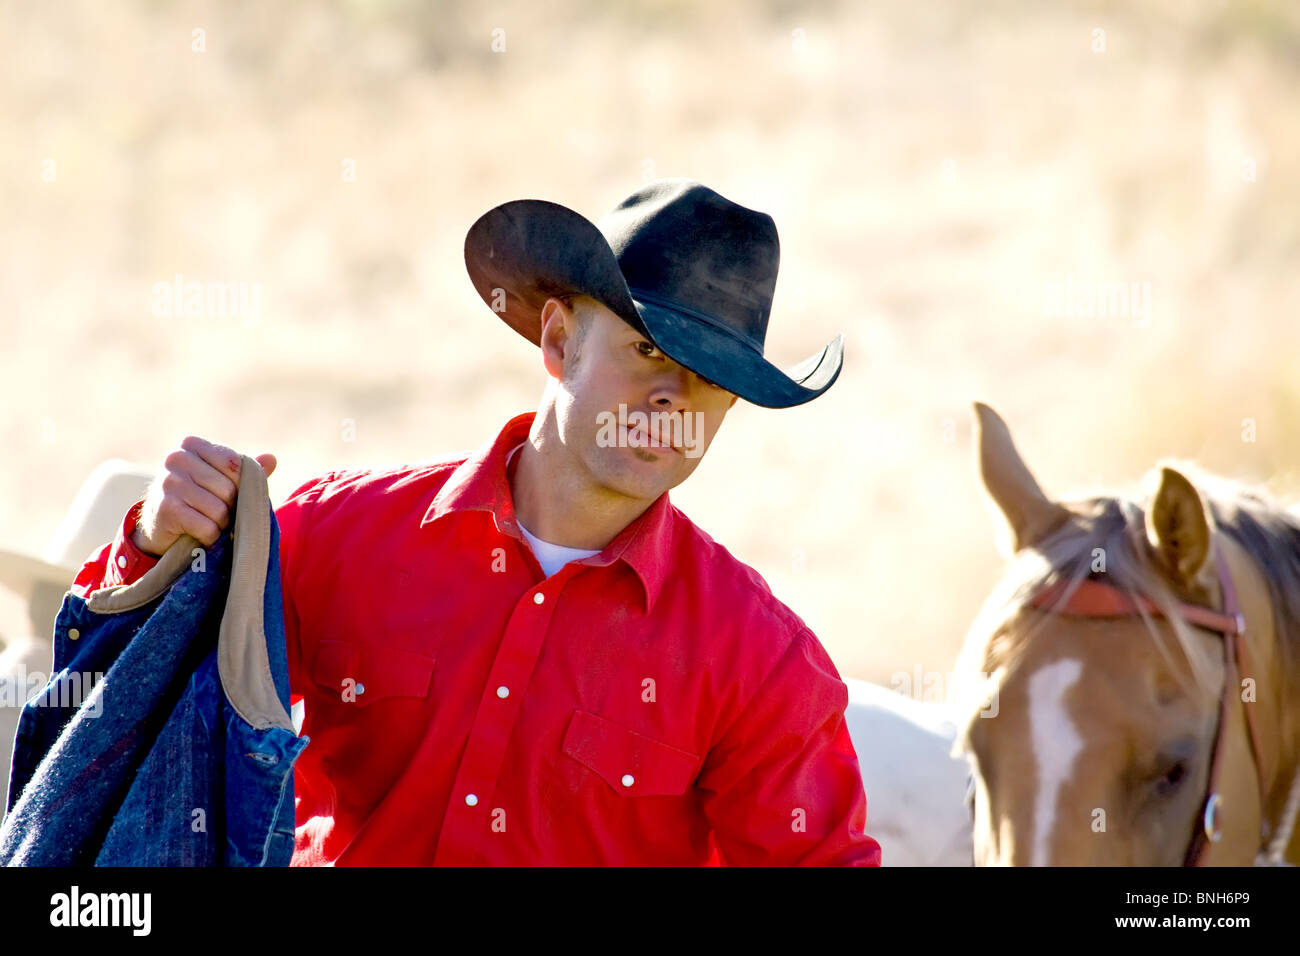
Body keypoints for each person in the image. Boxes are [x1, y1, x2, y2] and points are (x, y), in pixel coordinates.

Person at [72, 178, 881, 866]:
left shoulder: (763, 663)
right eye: (647, 352)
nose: (672, 398)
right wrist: (156, 546)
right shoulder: (334, 538)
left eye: (709, 379)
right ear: (559, 339)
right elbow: (121, 709)